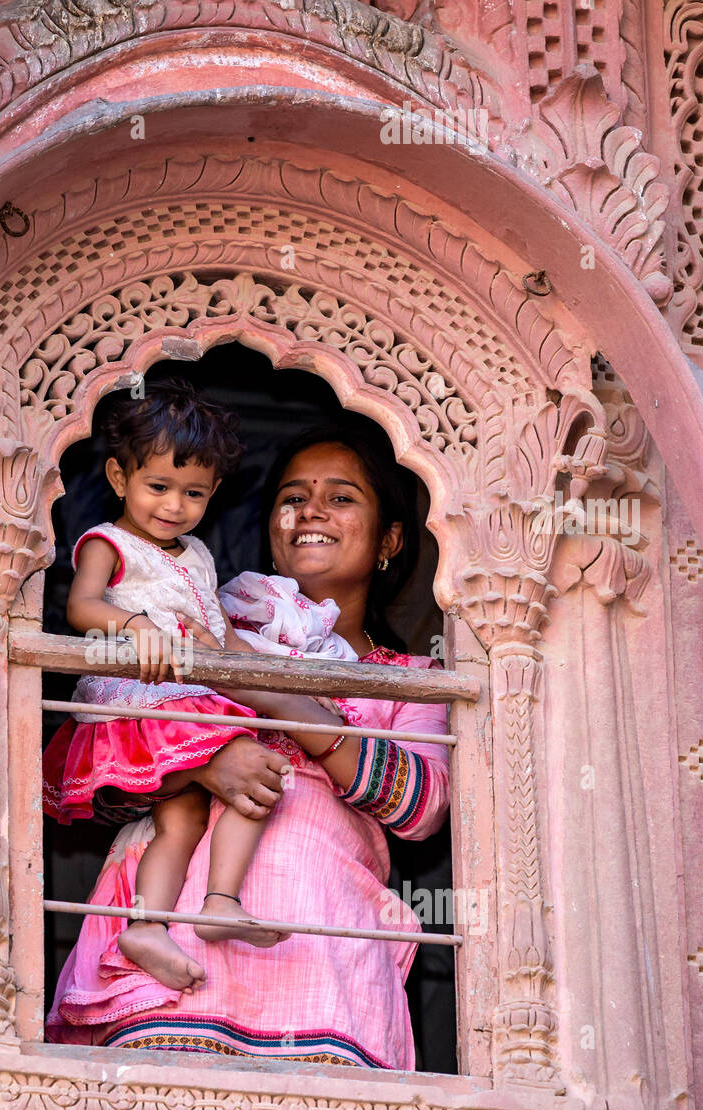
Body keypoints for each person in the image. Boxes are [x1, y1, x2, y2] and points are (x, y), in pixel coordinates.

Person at [46, 419, 452, 1071]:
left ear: (390, 540)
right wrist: (203, 762)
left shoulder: (409, 678)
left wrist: (263, 687)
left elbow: (420, 807)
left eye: (341, 497)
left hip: (322, 963)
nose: (310, 510)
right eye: (292, 497)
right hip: (172, 967)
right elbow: (109, 784)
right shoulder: (198, 628)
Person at [43, 380, 278, 995]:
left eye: (193, 493)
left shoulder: (198, 551)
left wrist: (224, 646)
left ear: (215, 494)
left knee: (194, 814)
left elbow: (215, 626)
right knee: (249, 768)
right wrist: (135, 625)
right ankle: (188, 909)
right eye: (158, 487)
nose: (174, 505)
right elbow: (81, 608)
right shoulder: (107, 541)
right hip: (137, 699)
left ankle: (181, 914)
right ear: (119, 477)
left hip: (190, 694)